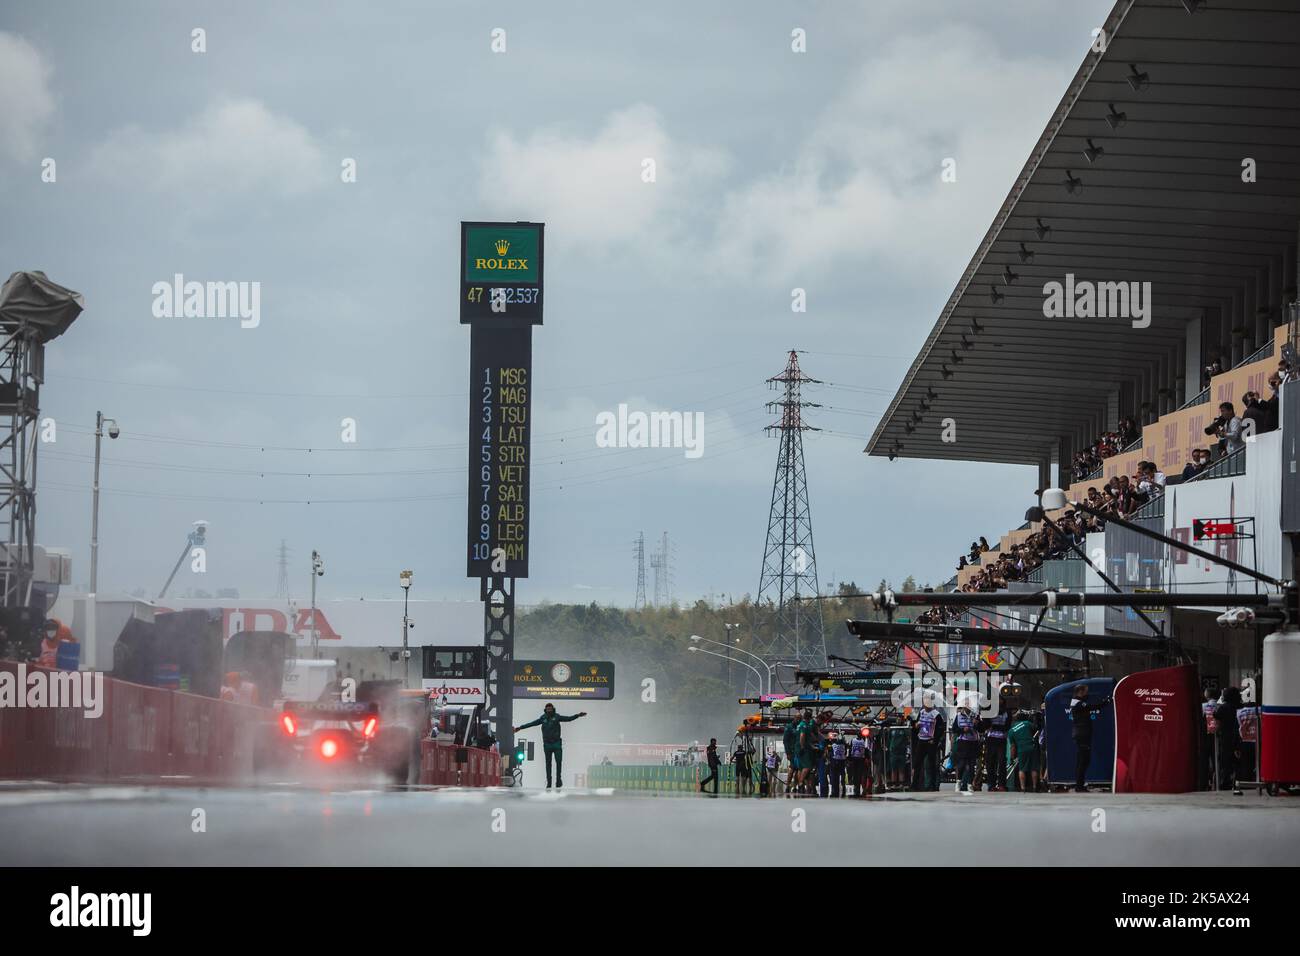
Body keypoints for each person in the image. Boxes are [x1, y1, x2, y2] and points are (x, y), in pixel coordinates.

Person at [513, 703, 587, 790]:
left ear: (553, 709)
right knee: (548, 764)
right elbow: (532, 723)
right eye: (547, 709)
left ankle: (558, 780)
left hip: (556, 744)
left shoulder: (557, 717)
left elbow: (568, 719)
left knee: (558, 763)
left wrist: (577, 715)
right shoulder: (543, 718)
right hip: (547, 744)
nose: (549, 710)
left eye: (550, 709)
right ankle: (549, 782)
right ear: (545, 710)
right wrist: (520, 728)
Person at [1069, 684, 1111, 792]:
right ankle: (1079, 786)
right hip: (1082, 734)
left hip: (1081, 734)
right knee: (1083, 760)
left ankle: (1080, 784)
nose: (1087, 694)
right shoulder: (1078, 703)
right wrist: (1106, 702)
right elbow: (1092, 707)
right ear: (1080, 692)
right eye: (1086, 692)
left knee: (1082, 760)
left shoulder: (1077, 702)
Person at [1213, 688, 1243, 794]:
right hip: (1238, 736)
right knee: (1237, 762)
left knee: (1224, 762)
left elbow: (1216, 719)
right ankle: (1237, 783)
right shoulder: (1239, 707)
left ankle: (1224, 783)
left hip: (1225, 737)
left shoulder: (1222, 708)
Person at [911, 698, 943, 791]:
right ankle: (915, 785)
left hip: (930, 741)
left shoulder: (936, 714)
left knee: (931, 764)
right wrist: (916, 725)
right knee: (917, 763)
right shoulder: (921, 712)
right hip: (921, 740)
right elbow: (916, 724)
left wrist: (935, 739)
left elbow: (940, 729)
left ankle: (933, 785)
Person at [1007, 707, 1039, 793]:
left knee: (1022, 769)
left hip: (1022, 750)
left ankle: (1023, 788)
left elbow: (1012, 747)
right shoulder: (1027, 723)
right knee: (1034, 768)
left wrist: (1012, 757)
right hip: (1032, 748)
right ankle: (1035, 787)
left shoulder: (1011, 731)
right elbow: (1037, 729)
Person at [952, 698, 981, 792]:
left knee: (972, 765)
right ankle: (958, 782)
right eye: (965, 704)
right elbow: (954, 729)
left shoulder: (975, 716)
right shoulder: (958, 716)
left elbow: (981, 728)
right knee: (962, 764)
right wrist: (962, 730)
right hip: (963, 742)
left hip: (973, 742)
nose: (967, 706)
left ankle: (969, 784)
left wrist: (977, 724)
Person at [983, 705, 1011, 792]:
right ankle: (991, 784)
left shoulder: (1006, 712)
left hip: (1002, 739)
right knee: (991, 762)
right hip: (991, 739)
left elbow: (1007, 726)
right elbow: (986, 725)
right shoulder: (989, 711)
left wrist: (994, 726)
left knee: (1002, 761)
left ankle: (1002, 784)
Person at [1201, 688, 1219, 790]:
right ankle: (1216, 779)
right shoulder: (1219, 706)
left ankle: (1206, 781)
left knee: (1205, 759)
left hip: (1206, 735)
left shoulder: (1204, 706)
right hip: (1217, 735)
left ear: (1207, 695)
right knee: (1216, 757)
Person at [847, 731, 868, 798]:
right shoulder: (859, 741)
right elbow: (850, 749)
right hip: (856, 759)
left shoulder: (862, 741)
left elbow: (866, 750)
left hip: (859, 759)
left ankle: (857, 787)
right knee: (857, 774)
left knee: (858, 774)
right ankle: (856, 787)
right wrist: (849, 759)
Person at [827, 733, 848, 798]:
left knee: (834, 777)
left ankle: (834, 791)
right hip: (841, 762)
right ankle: (843, 788)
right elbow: (845, 752)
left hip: (834, 763)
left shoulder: (832, 745)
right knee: (842, 775)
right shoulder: (844, 745)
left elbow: (829, 754)